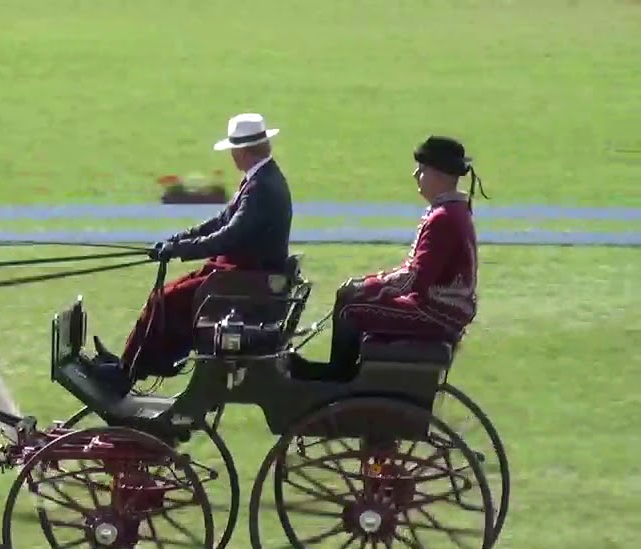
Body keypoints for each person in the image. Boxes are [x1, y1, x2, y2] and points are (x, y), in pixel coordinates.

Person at [90, 112, 293, 394]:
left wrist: (180, 249)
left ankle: (126, 373)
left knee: (167, 298)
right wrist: (180, 239)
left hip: (244, 279)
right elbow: (223, 220)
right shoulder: (261, 179)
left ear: (242, 151)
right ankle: (131, 364)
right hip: (240, 273)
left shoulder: (262, 187)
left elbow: (228, 236)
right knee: (171, 293)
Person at [326, 135, 487, 377]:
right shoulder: (453, 211)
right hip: (447, 310)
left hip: (435, 312)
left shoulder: (442, 217)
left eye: (421, 170)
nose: (415, 175)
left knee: (350, 308)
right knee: (353, 298)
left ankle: (338, 382)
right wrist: (370, 284)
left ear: (438, 175)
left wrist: (364, 287)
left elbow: (413, 279)